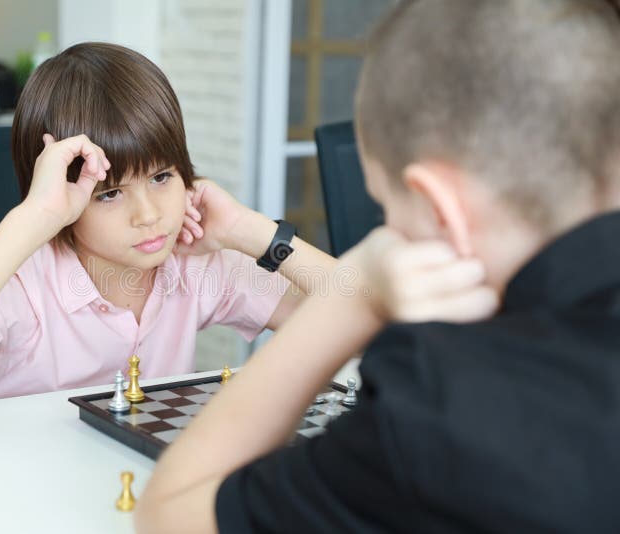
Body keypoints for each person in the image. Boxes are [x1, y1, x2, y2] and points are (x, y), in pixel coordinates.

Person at [136, 0, 620, 532]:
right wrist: (252, 233)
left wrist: (358, 288)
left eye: (385, 210)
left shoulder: (439, 407)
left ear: (439, 209)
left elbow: (169, 512)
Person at [0, 42, 335, 422]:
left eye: (162, 177)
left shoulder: (193, 261)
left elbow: (365, 315)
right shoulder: (22, 282)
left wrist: (252, 231)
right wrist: (30, 222)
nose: (148, 215)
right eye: (109, 193)